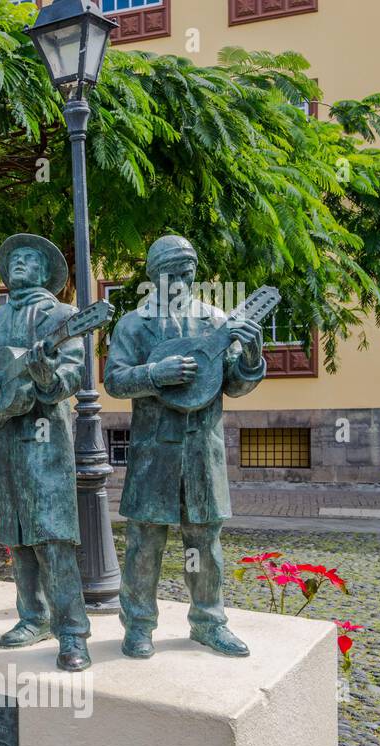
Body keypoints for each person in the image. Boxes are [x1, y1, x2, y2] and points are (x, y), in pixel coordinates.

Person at [104, 235, 267, 659]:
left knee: (204, 543)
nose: (182, 279)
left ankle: (209, 622)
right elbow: (115, 381)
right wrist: (155, 374)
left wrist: (250, 355)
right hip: (153, 453)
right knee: (144, 542)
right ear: (154, 275)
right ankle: (138, 625)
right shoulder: (133, 325)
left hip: (202, 452)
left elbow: (233, 384)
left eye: (189, 271)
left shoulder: (216, 321)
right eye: (173, 271)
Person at [0, 234, 92, 672]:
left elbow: (70, 378)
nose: (20, 264)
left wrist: (45, 372)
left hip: (47, 444)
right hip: (5, 440)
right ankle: (32, 617)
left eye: (31, 259)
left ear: (48, 271)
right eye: (14, 259)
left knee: (53, 538)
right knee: (17, 536)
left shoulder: (65, 317)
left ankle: (72, 632)